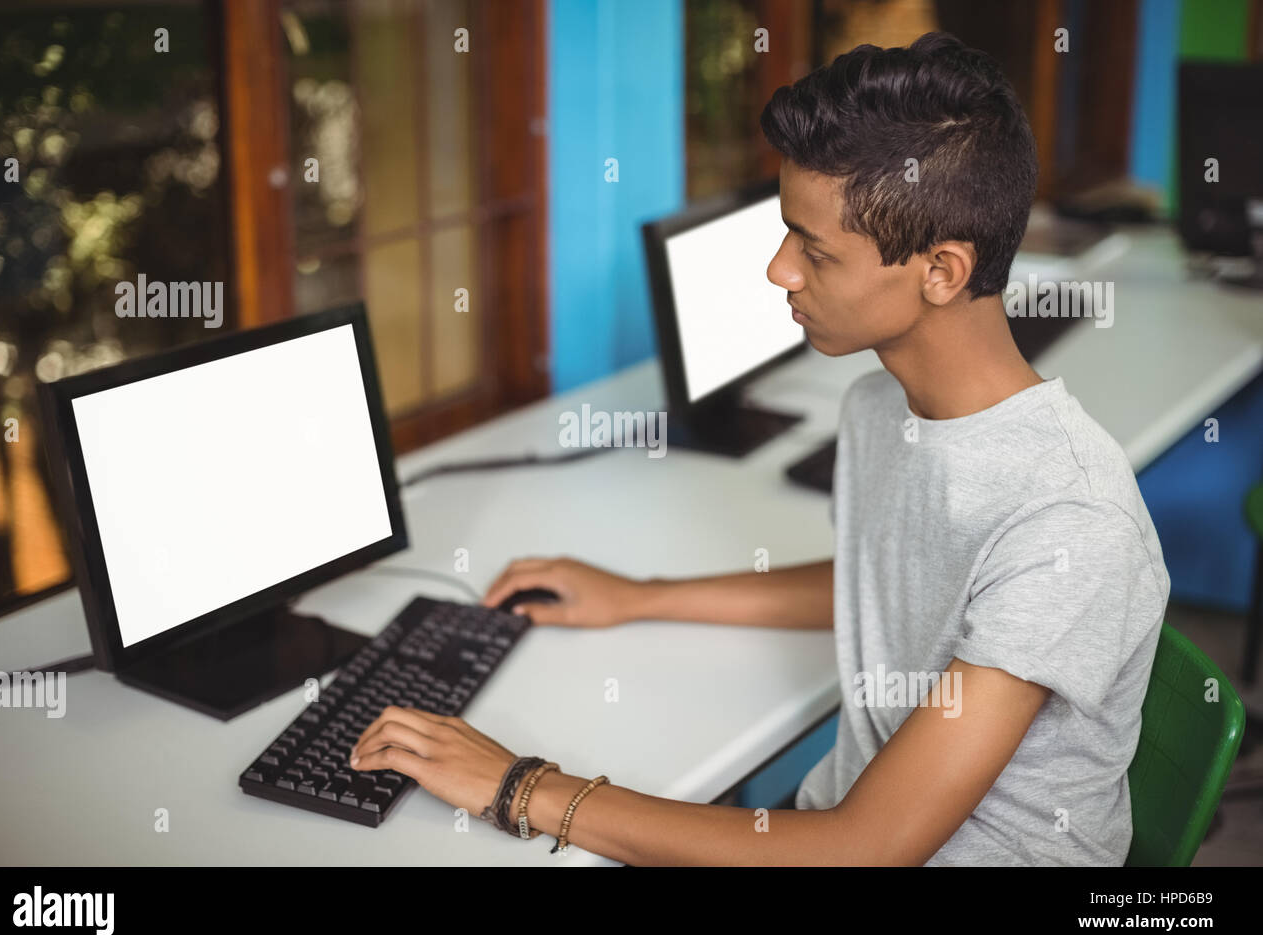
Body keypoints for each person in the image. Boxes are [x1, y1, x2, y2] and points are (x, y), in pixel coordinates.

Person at [350, 31, 1170, 866]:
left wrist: (522, 789)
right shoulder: (880, 405)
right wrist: (641, 595)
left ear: (945, 270)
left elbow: (865, 849)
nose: (780, 271)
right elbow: (889, 582)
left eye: (814, 250)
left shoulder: (1069, 522)